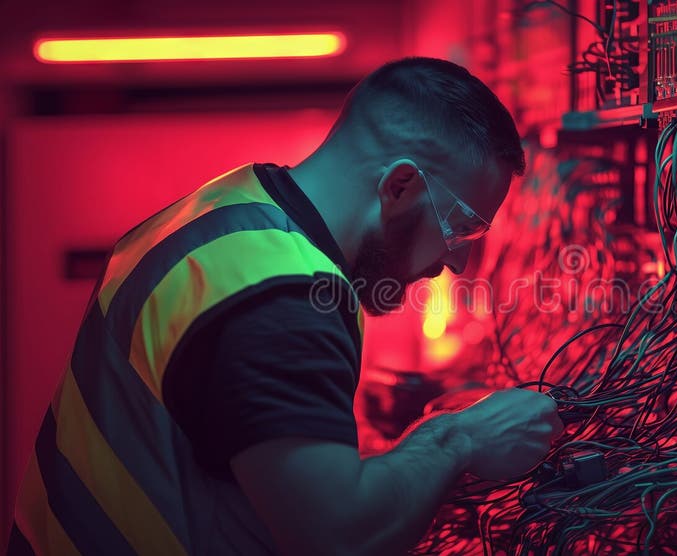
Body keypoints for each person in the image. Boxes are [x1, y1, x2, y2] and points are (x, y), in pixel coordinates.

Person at [7, 57, 563, 556]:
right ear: (399, 187)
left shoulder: (221, 213)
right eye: (462, 227)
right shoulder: (286, 295)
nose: (458, 261)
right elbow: (338, 538)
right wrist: (457, 438)